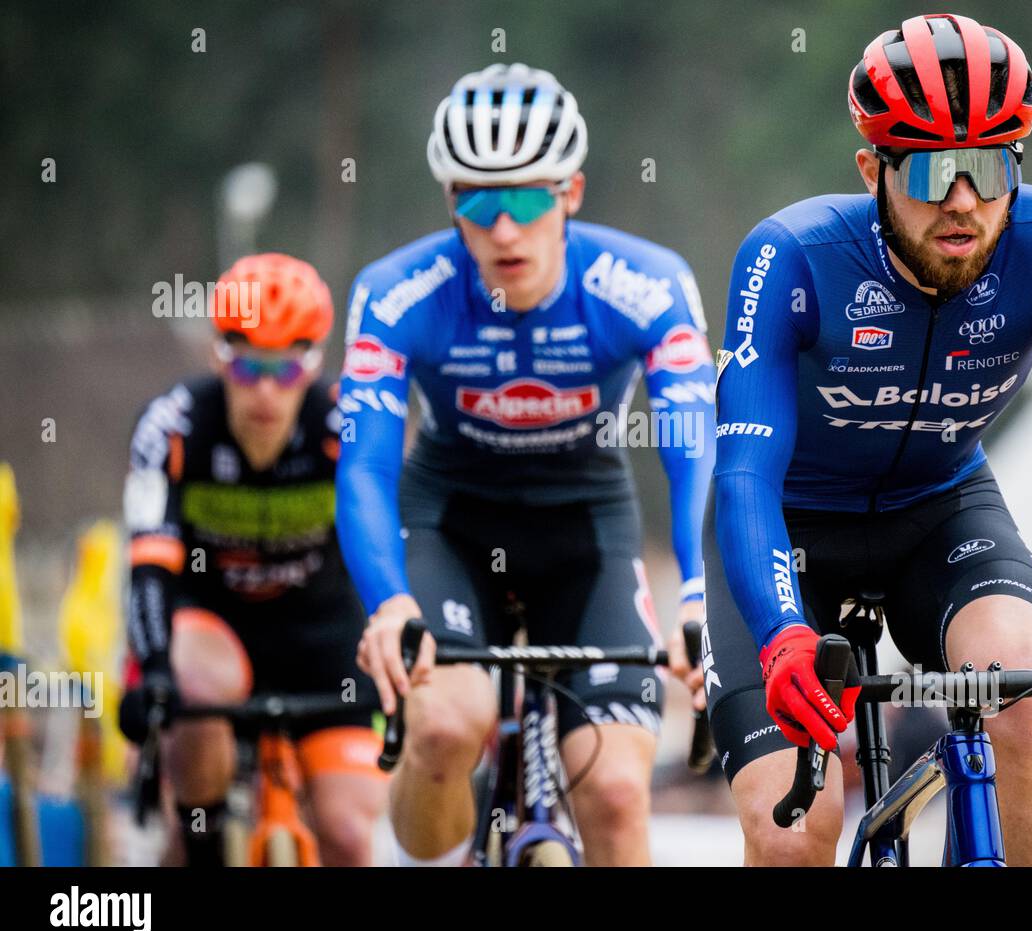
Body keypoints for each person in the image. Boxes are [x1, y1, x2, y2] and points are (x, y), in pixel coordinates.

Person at [703, 13, 1032, 866]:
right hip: (787, 531)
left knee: (1024, 691)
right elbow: (747, 475)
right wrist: (780, 636)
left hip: (938, 514)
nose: (961, 199)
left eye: (988, 168)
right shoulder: (793, 255)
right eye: (930, 168)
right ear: (873, 170)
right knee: (792, 830)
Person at [336, 63, 715, 866]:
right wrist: (390, 601)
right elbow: (366, 468)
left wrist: (695, 591)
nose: (504, 228)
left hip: (585, 523)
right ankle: (431, 833)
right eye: (478, 200)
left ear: (571, 193)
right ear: (451, 205)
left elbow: (693, 449)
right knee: (442, 727)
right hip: (451, 522)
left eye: (529, 199)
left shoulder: (645, 284)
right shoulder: (397, 292)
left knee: (615, 792)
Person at [121, 253, 387, 866]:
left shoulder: (346, 426)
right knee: (197, 693)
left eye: (287, 369)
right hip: (214, 627)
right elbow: (147, 569)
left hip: (323, 637)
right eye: (247, 366)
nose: (266, 390)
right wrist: (154, 668)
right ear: (219, 357)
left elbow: (391, 549)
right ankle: (204, 838)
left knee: (348, 834)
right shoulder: (173, 426)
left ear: (314, 365)